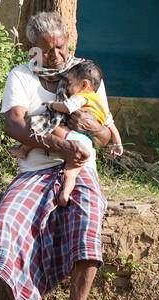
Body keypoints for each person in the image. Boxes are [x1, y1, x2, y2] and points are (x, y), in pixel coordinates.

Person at [0, 12, 114, 300]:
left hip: (79, 165)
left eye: (60, 46)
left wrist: (88, 127)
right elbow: (14, 125)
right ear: (32, 50)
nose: (55, 55)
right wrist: (54, 143)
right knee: (6, 221)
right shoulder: (21, 77)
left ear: (67, 41)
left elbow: (104, 135)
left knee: (87, 223)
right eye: (46, 49)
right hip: (35, 169)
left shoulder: (86, 76)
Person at [12, 59, 124, 207]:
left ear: (84, 85)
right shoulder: (101, 104)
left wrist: (52, 105)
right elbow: (112, 127)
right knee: (71, 172)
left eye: (70, 83)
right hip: (87, 143)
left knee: (42, 125)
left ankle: (24, 149)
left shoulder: (83, 97)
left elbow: (67, 106)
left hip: (74, 138)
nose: (68, 87)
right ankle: (65, 194)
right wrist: (118, 144)